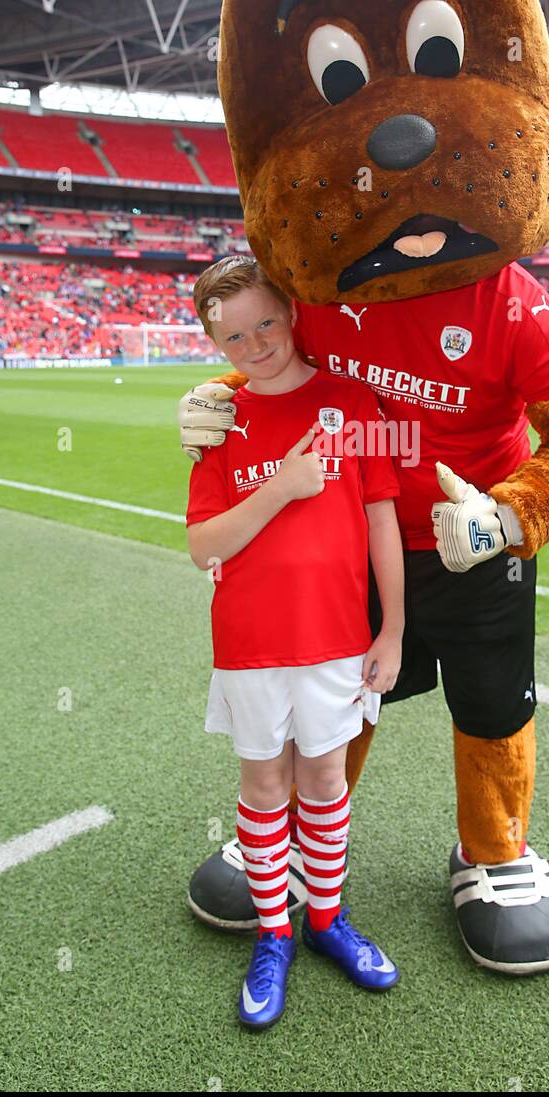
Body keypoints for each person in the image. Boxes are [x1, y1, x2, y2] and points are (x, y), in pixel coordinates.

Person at [185, 254, 405, 1029]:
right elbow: (203, 547)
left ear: (289, 312)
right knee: (265, 786)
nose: (256, 344)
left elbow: (382, 520)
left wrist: (394, 628)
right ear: (218, 346)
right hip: (248, 642)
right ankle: (273, 934)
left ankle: (325, 921)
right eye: (235, 337)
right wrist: (279, 486)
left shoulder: (350, 402)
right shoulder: (217, 419)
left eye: (266, 323)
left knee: (322, 777)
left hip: (338, 641)